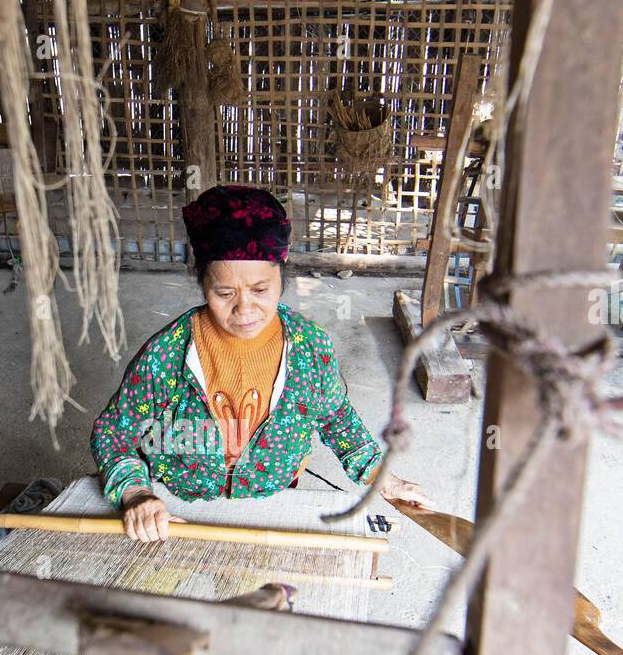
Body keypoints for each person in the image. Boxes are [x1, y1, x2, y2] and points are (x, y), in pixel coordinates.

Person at [90, 183, 433, 542]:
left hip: (272, 498)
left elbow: (335, 417)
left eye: (260, 290)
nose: (244, 309)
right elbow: (115, 432)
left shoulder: (309, 346)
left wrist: (386, 481)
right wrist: (137, 494)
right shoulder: (169, 353)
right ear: (202, 282)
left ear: (281, 272)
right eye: (224, 293)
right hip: (178, 504)